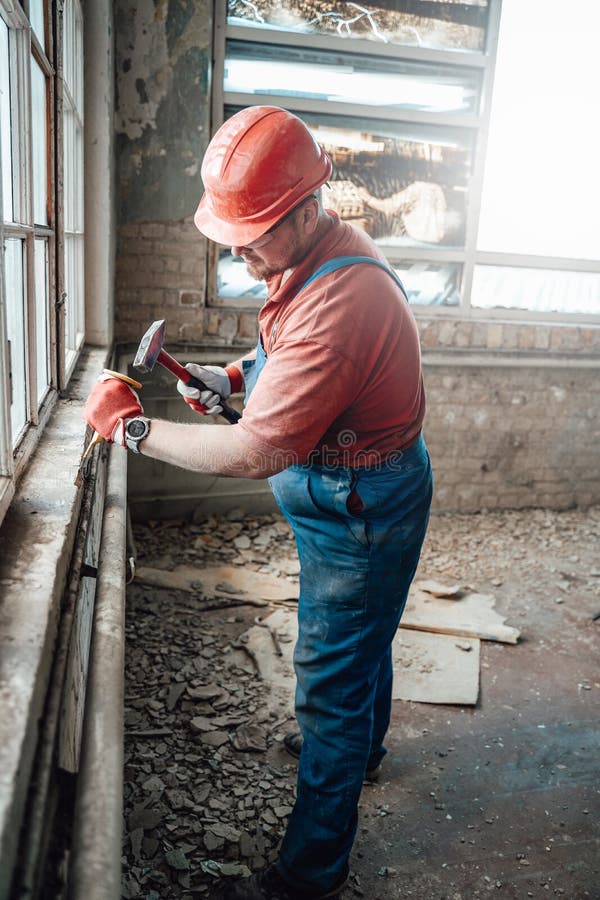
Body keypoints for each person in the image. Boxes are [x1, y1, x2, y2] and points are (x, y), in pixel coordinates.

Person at [84, 105, 433, 900]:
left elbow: (254, 451)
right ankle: (361, 751)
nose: (239, 250)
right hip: (352, 498)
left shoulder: (342, 301)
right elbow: (280, 345)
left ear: (308, 207)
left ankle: (309, 876)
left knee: (328, 682)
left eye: (254, 232)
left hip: (359, 508)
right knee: (360, 638)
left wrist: (133, 430)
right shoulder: (317, 253)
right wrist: (234, 380)